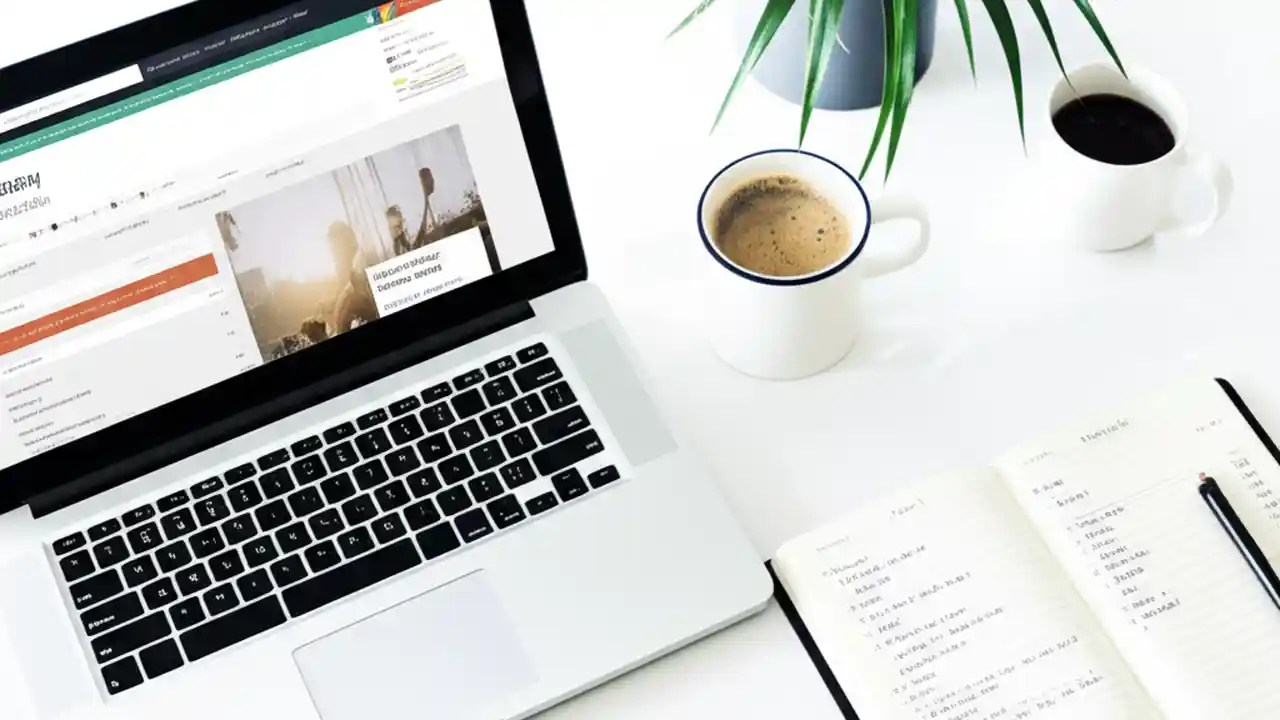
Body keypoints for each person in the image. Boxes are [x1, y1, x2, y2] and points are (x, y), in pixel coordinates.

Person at [328, 221, 378, 334]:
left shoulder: (363, 259)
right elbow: (341, 292)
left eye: (336, 243)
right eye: (332, 244)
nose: (333, 249)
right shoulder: (342, 267)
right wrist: (330, 304)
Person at [385, 167, 437, 256]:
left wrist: (426, 198)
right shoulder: (399, 245)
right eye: (397, 225)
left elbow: (419, 239)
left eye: (401, 221)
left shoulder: (403, 240)